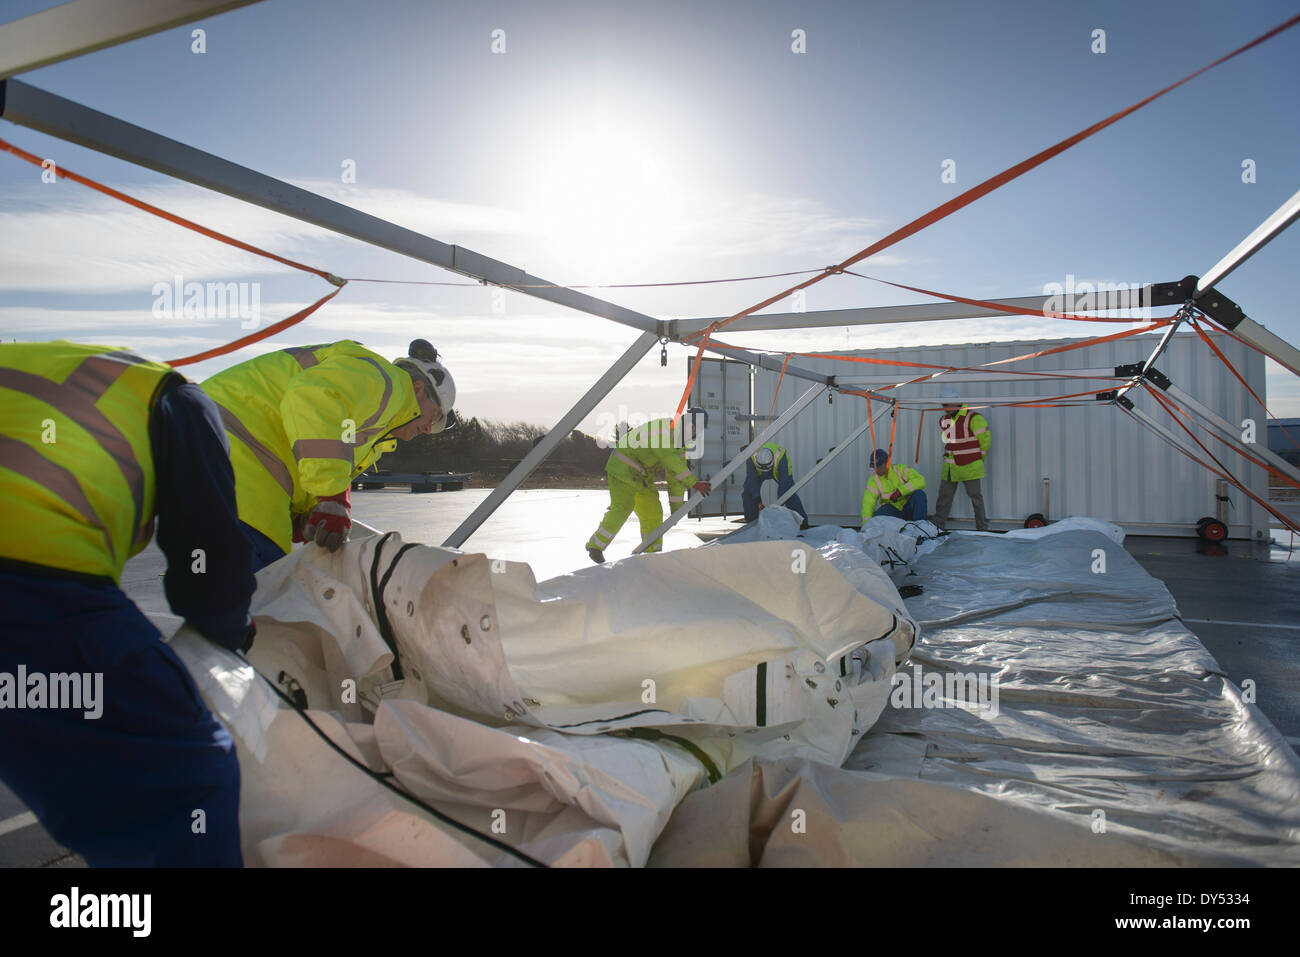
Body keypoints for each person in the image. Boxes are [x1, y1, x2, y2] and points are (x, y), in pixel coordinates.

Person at [0, 340, 257, 866]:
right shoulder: (179, 400)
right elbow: (209, 558)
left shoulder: (40, 370)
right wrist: (226, 643)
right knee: (185, 780)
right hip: (33, 584)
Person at [201, 339, 456, 571]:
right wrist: (334, 497)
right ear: (419, 388)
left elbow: (313, 439)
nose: (426, 430)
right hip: (231, 461)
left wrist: (303, 518)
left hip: (214, 458)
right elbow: (311, 398)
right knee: (258, 601)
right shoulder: (387, 384)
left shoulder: (372, 426)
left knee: (239, 604)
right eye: (433, 418)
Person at [586, 409, 711, 562]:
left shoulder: (684, 445)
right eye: (692, 426)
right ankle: (595, 547)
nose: (693, 431)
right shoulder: (663, 430)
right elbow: (669, 459)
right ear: (685, 421)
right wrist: (694, 483)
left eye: (697, 429)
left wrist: (677, 511)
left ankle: (653, 555)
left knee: (653, 512)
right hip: (623, 467)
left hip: (642, 475)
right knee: (623, 507)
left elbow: (676, 478)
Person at [933, 385, 991, 531]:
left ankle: (982, 529)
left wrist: (978, 458)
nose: (945, 407)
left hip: (970, 466)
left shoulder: (973, 418)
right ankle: (937, 528)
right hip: (950, 468)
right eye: (943, 404)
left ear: (957, 403)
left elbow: (985, 441)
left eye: (947, 404)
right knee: (943, 498)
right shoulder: (944, 420)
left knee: (976, 498)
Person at [742, 441, 809, 525]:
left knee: (789, 493)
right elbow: (752, 481)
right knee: (748, 492)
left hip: (777, 470)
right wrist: (758, 500)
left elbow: (784, 484)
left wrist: (778, 506)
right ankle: (751, 522)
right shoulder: (751, 457)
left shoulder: (781, 456)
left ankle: (802, 522)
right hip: (758, 473)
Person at [860, 448, 928, 523]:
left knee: (919, 495)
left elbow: (921, 481)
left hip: (909, 508)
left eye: (879, 466)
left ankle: (920, 527)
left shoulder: (900, 469)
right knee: (878, 517)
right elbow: (868, 504)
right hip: (893, 512)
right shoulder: (873, 480)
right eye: (874, 467)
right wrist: (866, 526)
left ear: (887, 463)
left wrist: (900, 491)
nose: (877, 470)